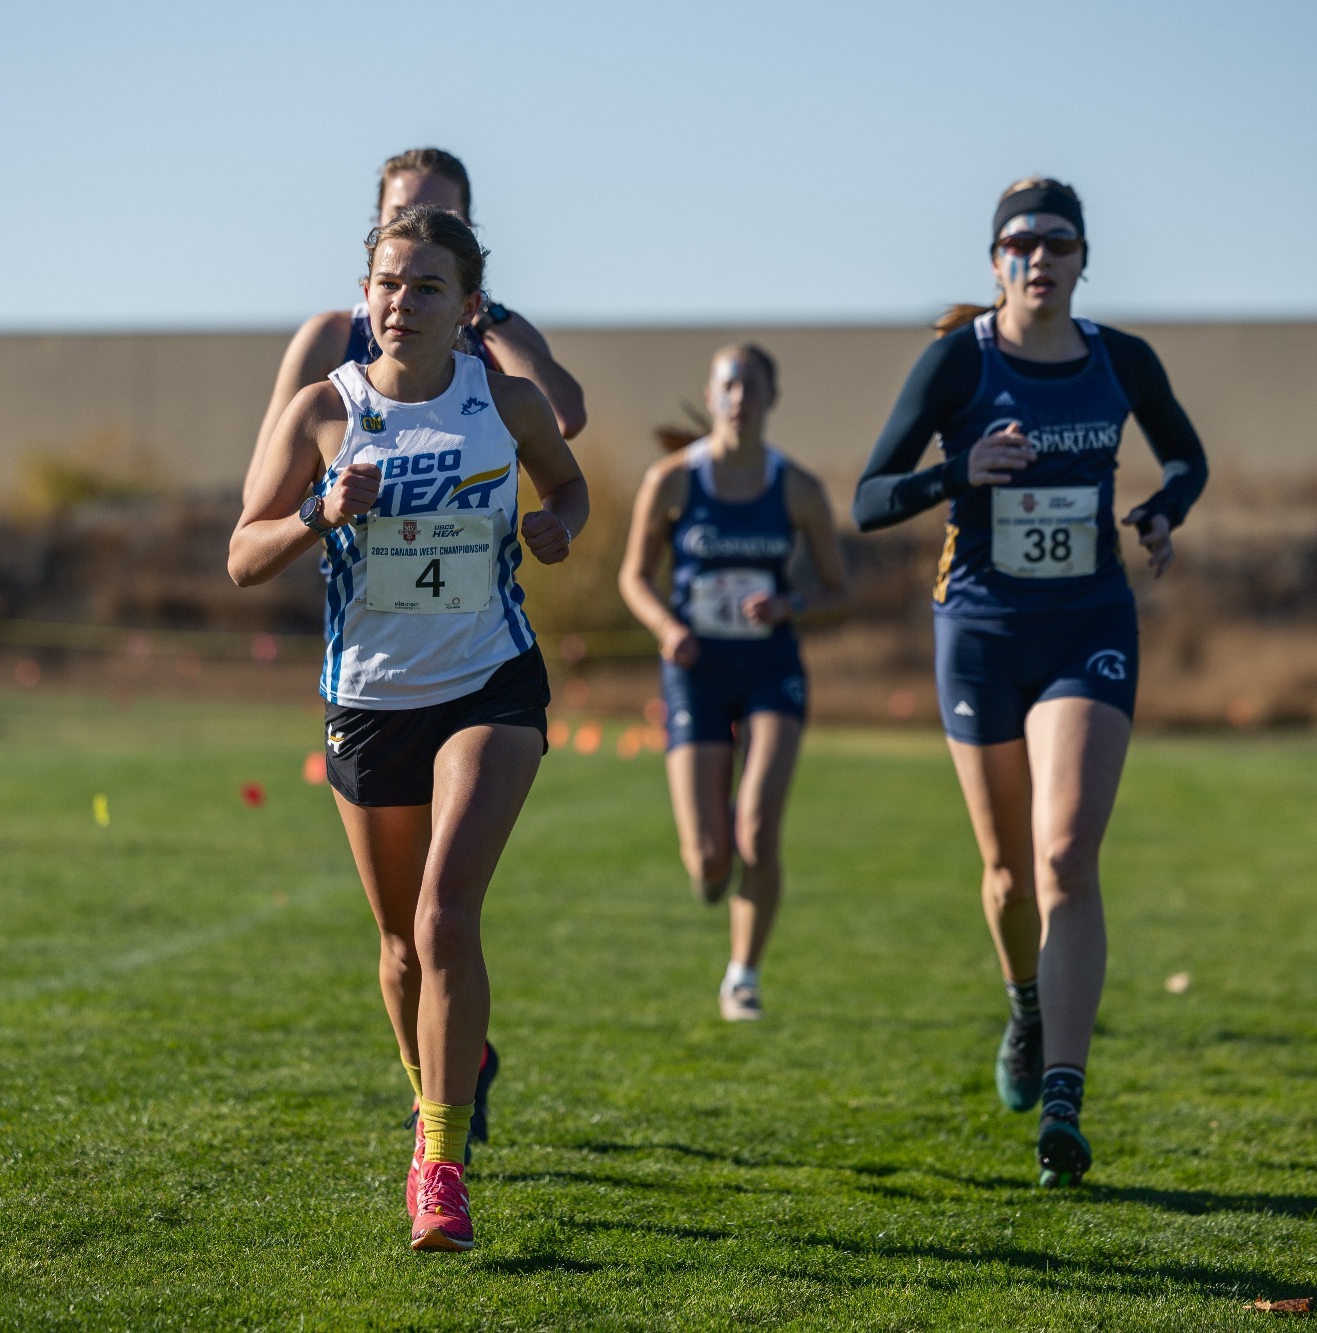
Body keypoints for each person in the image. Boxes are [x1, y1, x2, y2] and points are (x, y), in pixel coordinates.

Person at [228, 204, 588, 1250]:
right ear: (364, 296)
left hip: (489, 685)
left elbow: (564, 480)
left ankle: (438, 1158)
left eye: (427, 286)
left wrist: (557, 523)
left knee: (441, 916)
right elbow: (243, 555)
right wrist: (318, 513)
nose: (402, 302)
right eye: (388, 282)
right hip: (370, 701)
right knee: (397, 949)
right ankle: (448, 1066)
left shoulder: (504, 399)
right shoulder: (321, 412)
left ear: (467, 306)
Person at [852, 178, 1208, 1187]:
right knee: (1006, 871)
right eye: (1019, 243)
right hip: (978, 630)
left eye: (1057, 242)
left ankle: (1062, 1094)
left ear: (1082, 258)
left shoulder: (1118, 358)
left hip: (1085, 625)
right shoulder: (955, 363)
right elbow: (870, 497)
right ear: (994, 262)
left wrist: (1159, 508)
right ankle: (1021, 1005)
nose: (1038, 258)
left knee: (1063, 857)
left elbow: (1186, 457)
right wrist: (960, 467)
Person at [619, 345, 850, 1022]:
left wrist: (792, 606)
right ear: (711, 394)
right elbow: (633, 576)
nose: (740, 396)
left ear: (772, 397)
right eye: (729, 385)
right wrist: (666, 626)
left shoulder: (799, 488)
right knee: (711, 858)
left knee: (757, 829)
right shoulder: (671, 481)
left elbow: (840, 591)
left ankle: (743, 974)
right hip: (694, 671)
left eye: (752, 385)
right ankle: (713, 873)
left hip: (771, 669)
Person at [244, 148, 586, 512]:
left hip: (479, 564)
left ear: (468, 226)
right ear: (378, 221)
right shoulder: (332, 335)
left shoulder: (499, 327)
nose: (421, 223)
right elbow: (262, 495)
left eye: (440, 215)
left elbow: (563, 420)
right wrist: (328, 508)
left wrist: (483, 316)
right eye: (402, 213)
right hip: (356, 566)